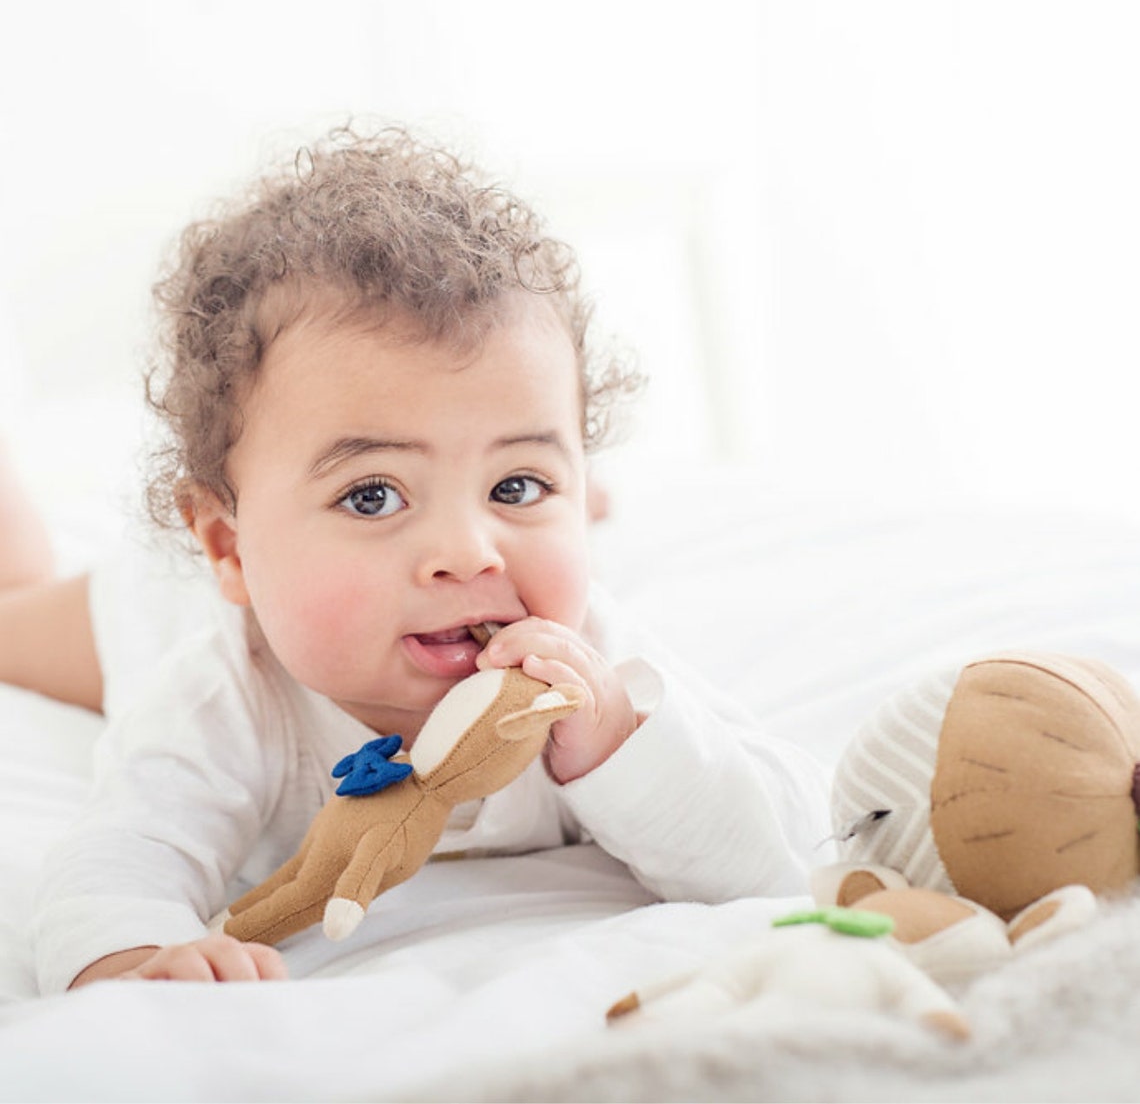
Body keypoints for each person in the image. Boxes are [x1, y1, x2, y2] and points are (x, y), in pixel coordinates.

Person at [2, 127, 829, 994]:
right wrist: (136, 960)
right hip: (153, 605)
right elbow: (112, 862)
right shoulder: (223, 695)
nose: (467, 552)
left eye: (516, 484)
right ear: (229, 543)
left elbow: (788, 846)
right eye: (372, 495)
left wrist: (622, 745)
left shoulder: (585, 664)